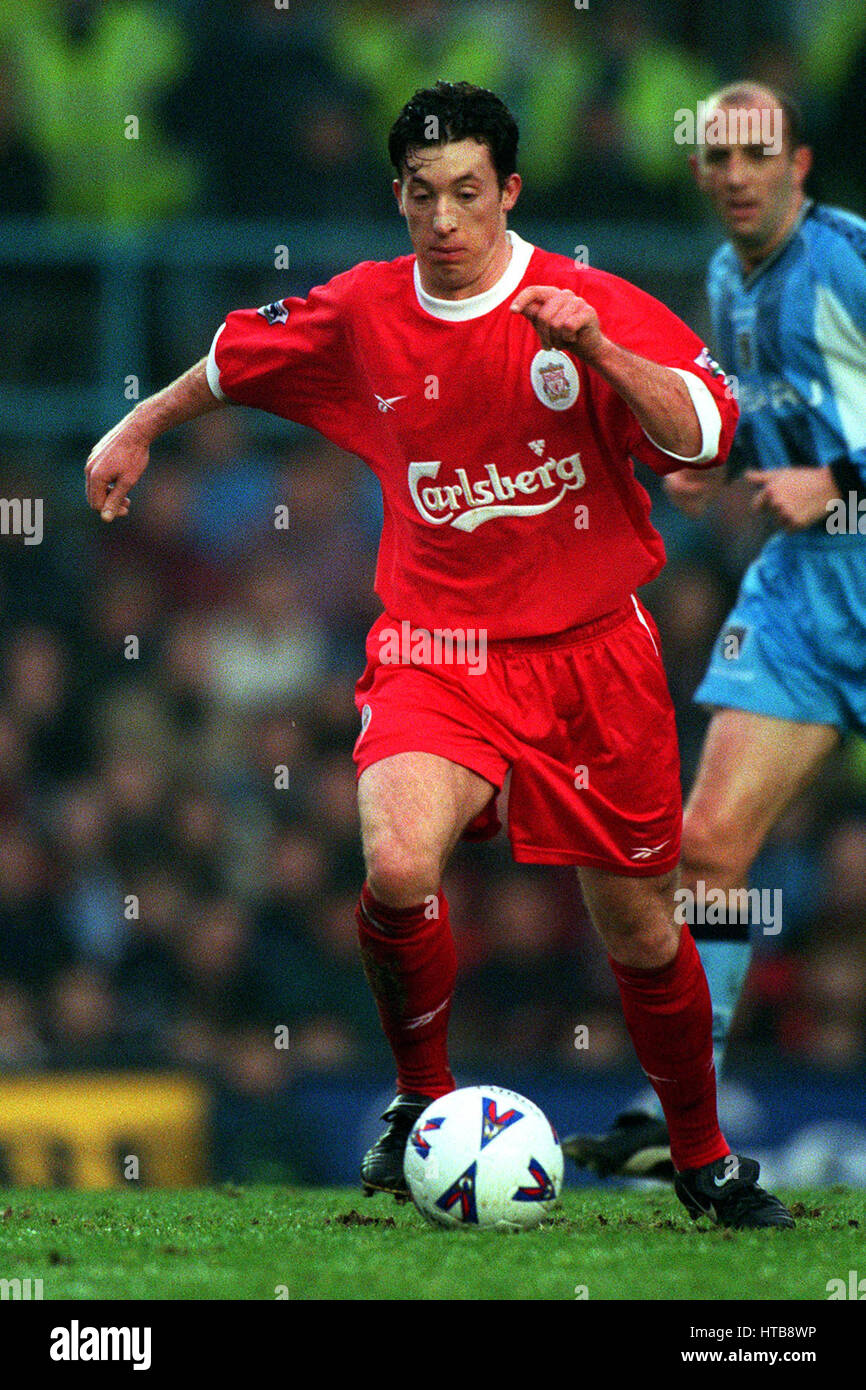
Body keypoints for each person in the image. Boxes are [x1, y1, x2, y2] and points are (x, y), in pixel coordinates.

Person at [85, 80, 792, 1229]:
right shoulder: (365, 312)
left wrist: (601, 353)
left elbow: (703, 431)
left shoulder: (580, 300)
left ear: (507, 191)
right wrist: (138, 425)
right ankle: (421, 1102)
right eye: (422, 197)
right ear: (399, 199)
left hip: (593, 655)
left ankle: (704, 1157)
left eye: (468, 193)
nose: (446, 220)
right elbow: (235, 359)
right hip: (436, 651)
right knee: (398, 865)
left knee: (641, 927)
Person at [564, 81, 866, 1182]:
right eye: (713, 157)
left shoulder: (843, 264)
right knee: (708, 849)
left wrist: (832, 477)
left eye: (755, 154)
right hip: (801, 593)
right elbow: (771, 413)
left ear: (799, 162)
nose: (732, 174)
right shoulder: (722, 280)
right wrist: (717, 463)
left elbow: (837, 447)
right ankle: (679, 1109)